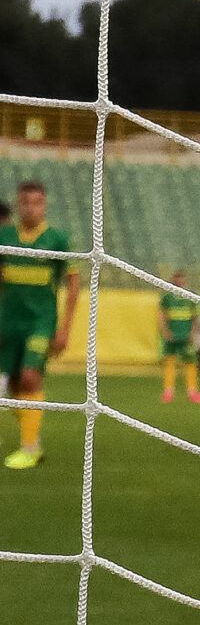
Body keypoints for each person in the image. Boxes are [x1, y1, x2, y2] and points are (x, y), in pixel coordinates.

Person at [2, 180, 79, 471]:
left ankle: (30, 448)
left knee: (30, 376)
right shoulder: (5, 236)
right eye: (25, 202)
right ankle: (31, 438)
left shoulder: (58, 240)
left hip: (40, 322)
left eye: (37, 202)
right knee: (14, 384)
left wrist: (65, 329)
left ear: (44, 206)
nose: (31, 208)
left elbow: (73, 284)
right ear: (18, 204)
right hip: (8, 321)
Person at [157, 270, 200, 404]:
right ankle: (168, 392)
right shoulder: (167, 297)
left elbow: (195, 316)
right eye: (178, 279)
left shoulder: (190, 296)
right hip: (172, 335)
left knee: (190, 363)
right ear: (174, 280)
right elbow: (161, 314)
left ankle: (192, 391)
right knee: (170, 362)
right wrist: (165, 331)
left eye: (182, 279)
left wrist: (193, 332)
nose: (180, 281)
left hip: (186, 336)